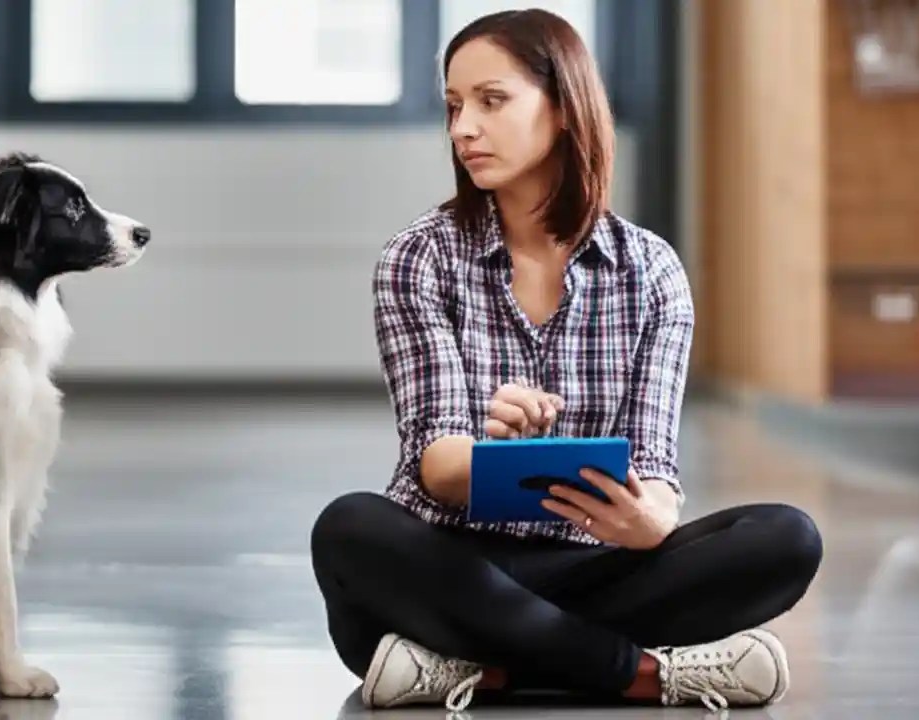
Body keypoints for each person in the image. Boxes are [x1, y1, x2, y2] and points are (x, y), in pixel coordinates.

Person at [309, 9, 823, 714]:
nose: (462, 129)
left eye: (491, 101)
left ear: (562, 108)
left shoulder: (651, 272)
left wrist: (653, 520)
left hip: (592, 567)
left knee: (785, 538)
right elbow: (435, 460)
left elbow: (657, 472)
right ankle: (645, 675)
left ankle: (480, 668)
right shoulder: (418, 259)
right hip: (458, 559)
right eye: (455, 107)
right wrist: (485, 447)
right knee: (352, 529)